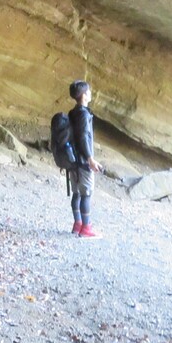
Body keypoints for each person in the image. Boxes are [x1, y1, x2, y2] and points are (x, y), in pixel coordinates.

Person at [66, 80, 104, 237]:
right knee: (86, 194)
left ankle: (78, 224)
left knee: (76, 193)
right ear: (83, 95)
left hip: (72, 160)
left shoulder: (72, 113)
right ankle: (86, 228)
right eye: (88, 91)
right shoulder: (83, 114)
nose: (90, 93)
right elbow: (83, 137)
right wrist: (90, 159)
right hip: (82, 161)